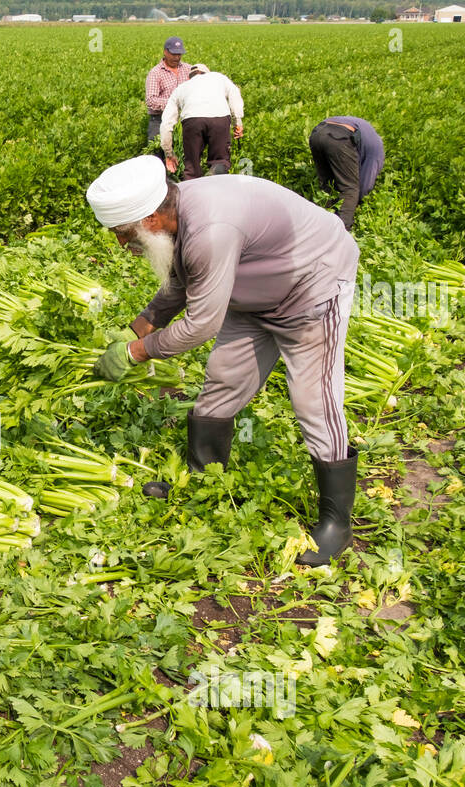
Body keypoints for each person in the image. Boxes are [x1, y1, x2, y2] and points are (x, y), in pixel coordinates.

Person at [85, 155, 360, 567]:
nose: (124, 246)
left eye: (124, 235)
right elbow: (183, 279)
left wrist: (135, 353)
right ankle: (203, 481)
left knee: (313, 401)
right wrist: (139, 326)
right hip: (254, 293)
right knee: (221, 383)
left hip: (311, 287)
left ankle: (337, 524)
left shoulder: (210, 229)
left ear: (152, 221)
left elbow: (200, 325)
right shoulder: (178, 208)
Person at [158, 65, 244, 181]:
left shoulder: (182, 87)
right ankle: (215, 175)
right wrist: (237, 123)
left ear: (189, 78)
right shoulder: (218, 78)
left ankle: (191, 191)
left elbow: (166, 124)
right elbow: (234, 94)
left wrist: (169, 154)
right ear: (207, 73)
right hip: (219, 118)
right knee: (220, 161)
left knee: (192, 167)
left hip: (192, 120)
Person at [308, 116, 384, 231]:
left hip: (317, 132)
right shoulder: (377, 151)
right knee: (350, 189)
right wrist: (357, 201)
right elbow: (365, 184)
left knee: (327, 186)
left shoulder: (367, 137)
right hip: (340, 137)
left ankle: (319, 228)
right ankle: (341, 233)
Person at [145, 37, 192, 147]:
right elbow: (151, 100)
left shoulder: (189, 69)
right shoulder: (155, 73)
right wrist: (174, 103)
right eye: (173, 54)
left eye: (179, 54)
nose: (177, 57)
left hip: (184, 119)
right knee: (157, 151)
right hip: (160, 119)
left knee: (186, 151)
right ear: (165, 52)